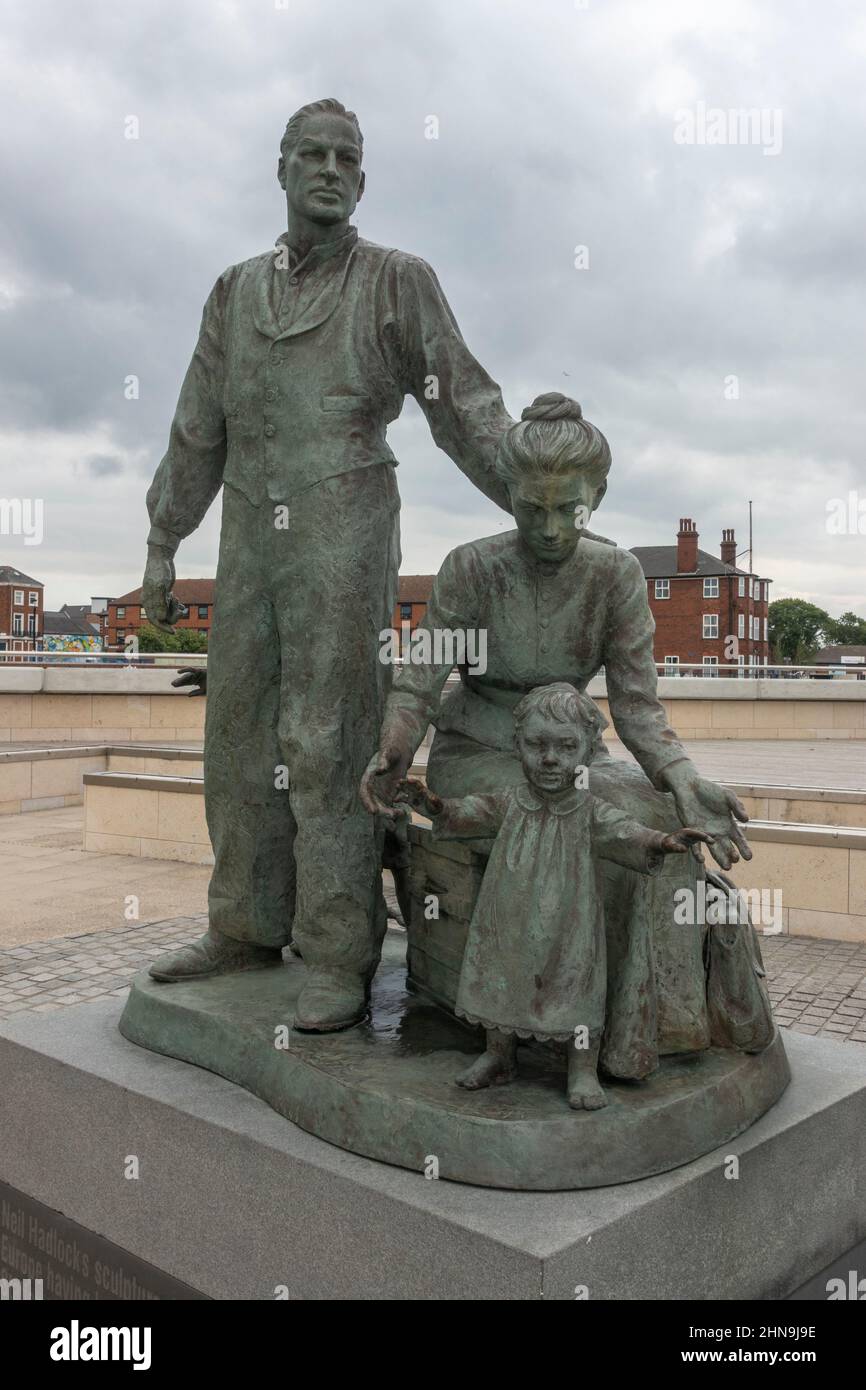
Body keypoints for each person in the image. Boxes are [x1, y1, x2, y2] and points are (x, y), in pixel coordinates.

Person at [142, 99, 514, 1032]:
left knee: (329, 739)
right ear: (281, 168)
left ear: (362, 178)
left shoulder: (395, 281)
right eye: (313, 153)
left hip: (342, 527)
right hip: (248, 542)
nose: (331, 168)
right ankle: (244, 924)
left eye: (349, 157)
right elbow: (198, 425)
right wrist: (162, 536)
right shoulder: (234, 292)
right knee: (237, 737)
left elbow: (464, 403)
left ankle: (340, 949)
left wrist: (540, 496)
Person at [362, 393, 754, 1075]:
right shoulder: (472, 569)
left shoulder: (616, 575)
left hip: (571, 751)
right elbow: (420, 679)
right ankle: (542, 1031)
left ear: (595, 496)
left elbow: (637, 708)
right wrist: (395, 749)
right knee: (556, 818)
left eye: (568, 509)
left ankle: (649, 1030)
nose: (549, 528)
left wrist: (683, 777)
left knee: (657, 820)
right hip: (481, 752)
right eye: (530, 509)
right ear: (508, 497)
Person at [398, 683, 711, 1109]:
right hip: (507, 918)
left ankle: (581, 1069)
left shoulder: (589, 810)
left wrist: (663, 842)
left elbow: (625, 832)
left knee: (575, 985)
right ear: (517, 746)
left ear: (587, 752)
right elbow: (467, 812)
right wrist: (432, 805)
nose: (549, 759)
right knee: (501, 976)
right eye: (536, 745)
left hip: (570, 925)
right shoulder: (510, 800)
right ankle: (497, 1053)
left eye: (565, 747)